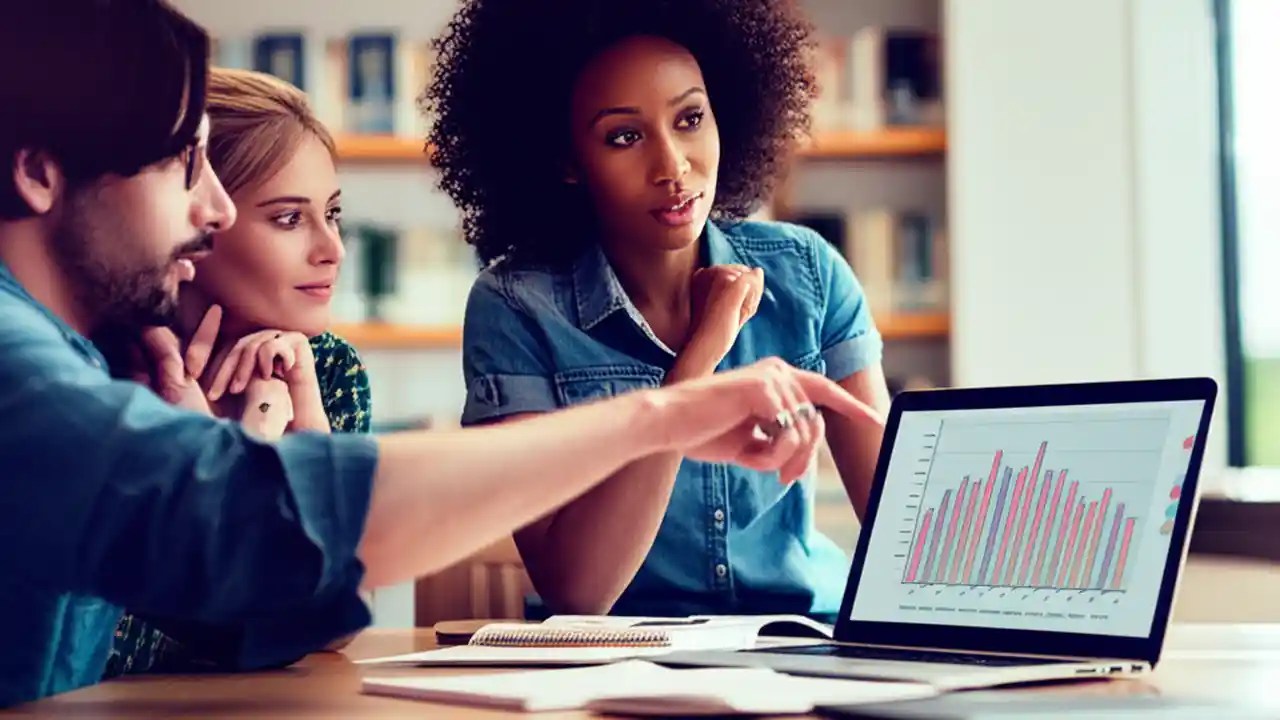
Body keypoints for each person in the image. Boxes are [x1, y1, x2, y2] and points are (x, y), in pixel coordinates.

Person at [0, 0, 877, 707]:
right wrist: (667, 411)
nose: (215, 211)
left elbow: (274, 598)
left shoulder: (92, 359)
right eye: (177, 166)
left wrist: (251, 439)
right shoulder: (20, 368)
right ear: (39, 174)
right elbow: (258, 524)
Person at [426, 0, 891, 621]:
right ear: (567, 161)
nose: (673, 166)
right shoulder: (516, 307)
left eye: (690, 118)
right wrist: (704, 351)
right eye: (624, 136)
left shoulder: (806, 272)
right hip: (612, 669)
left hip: (801, 645)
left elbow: (900, 533)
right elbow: (578, 590)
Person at [102, 67, 371, 678]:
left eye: (332, 214)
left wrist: (300, 428)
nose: (333, 248)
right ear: (193, 220)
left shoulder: (325, 368)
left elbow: (337, 629)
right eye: (287, 218)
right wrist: (213, 458)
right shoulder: (105, 368)